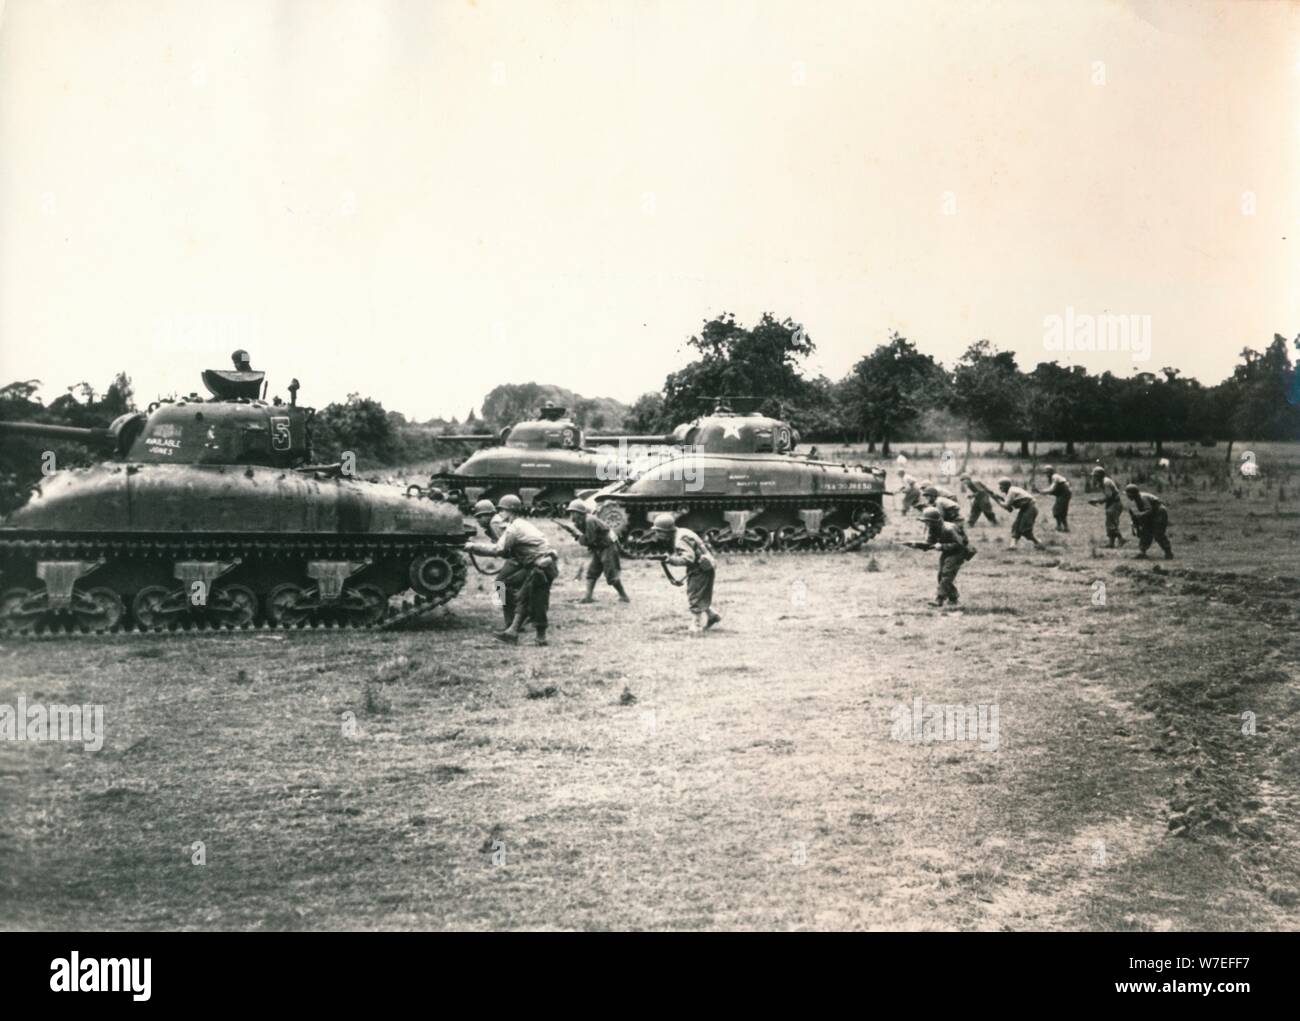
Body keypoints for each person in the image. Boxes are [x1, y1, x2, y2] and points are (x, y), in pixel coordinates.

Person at [465, 493, 558, 646]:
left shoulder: (510, 527)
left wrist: (473, 547)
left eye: (501, 510)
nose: (499, 513)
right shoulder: (520, 523)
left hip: (538, 565)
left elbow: (500, 550)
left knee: (531, 597)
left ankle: (518, 629)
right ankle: (512, 628)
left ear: (509, 511)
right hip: (536, 563)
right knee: (516, 591)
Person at [650, 512, 720, 633]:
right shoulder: (681, 532)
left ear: (665, 531)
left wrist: (671, 560)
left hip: (701, 569)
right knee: (699, 593)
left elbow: (689, 558)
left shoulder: (679, 539)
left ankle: (696, 626)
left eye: (658, 531)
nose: (656, 534)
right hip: (700, 567)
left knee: (695, 594)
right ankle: (712, 616)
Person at [564, 499, 629, 603]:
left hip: (608, 547)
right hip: (599, 548)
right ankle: (588, 597)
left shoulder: (589, 520)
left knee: (611, 574)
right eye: (571, 512)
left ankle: (624, 596)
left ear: (580, 513)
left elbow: (590, 540)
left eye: (573, 512)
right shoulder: (581, 522)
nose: (572, 515)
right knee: (592, 573)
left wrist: (578, 537)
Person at [907, 506, 975, 607]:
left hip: (959, 552)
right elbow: (930, 544)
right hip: (947, 551)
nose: (926, 524)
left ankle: (939, 599)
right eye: (925, 521)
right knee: (941, 575)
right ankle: (953, 597)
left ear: (935, 521)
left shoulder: (949, 528)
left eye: (928, 521)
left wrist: (942, 546)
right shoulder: (933, 529)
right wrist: (915, 544)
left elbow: (960, 544)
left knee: (947, 574)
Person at [992, 477, 1044, 549]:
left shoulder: (1011, 491)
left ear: (1006, 486)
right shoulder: (1011, 490)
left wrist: (996, 500)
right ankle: (1012, 545)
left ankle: (1038, 543)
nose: (999, 488)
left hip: (1030, 508)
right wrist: (1000, 498)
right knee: (1016, 527)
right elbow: (1010, 508)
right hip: (1025, 508)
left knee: (1025, 529)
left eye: (1001, 486)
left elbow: (1007, 506)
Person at [1124, 484, 1174, 559]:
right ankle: (1142, 552)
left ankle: (1168, 552)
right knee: (1146, 531)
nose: (1128, 496)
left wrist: (1140, 516)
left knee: (1158, 533)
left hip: (1159, 512)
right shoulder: (1137, 499)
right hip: (1152, 514)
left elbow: (1149, 510)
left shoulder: (1142, 498)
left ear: (1133, 494)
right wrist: (1136, 523)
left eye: (1129, 494)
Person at [1087, 466, 1126, 547]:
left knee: (1111, 523)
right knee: (1110, 522)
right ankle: (1111, 543)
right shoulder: (1101, 482)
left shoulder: (1106, 482)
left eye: (1095, 476)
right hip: (1112, 503)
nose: (1093, 478)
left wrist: (1097, 500)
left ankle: (1121, 539)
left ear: (1099, 476)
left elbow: (1109, 496)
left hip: (1115, 503)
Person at [1037, 465, 1072, 532]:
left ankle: (1060, 527)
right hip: (1062, 494)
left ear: (1051, 472)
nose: (1046, 474)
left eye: (1047, 472)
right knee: (1061, 511)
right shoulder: (1052, 478)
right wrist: (1043, 492)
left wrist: (1042, 491)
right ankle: (1064, 527)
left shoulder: (1055, 477)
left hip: (1064, 494)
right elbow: (1053, 491)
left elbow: (1052, 489)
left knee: (1057, 511)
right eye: (1046, 473)